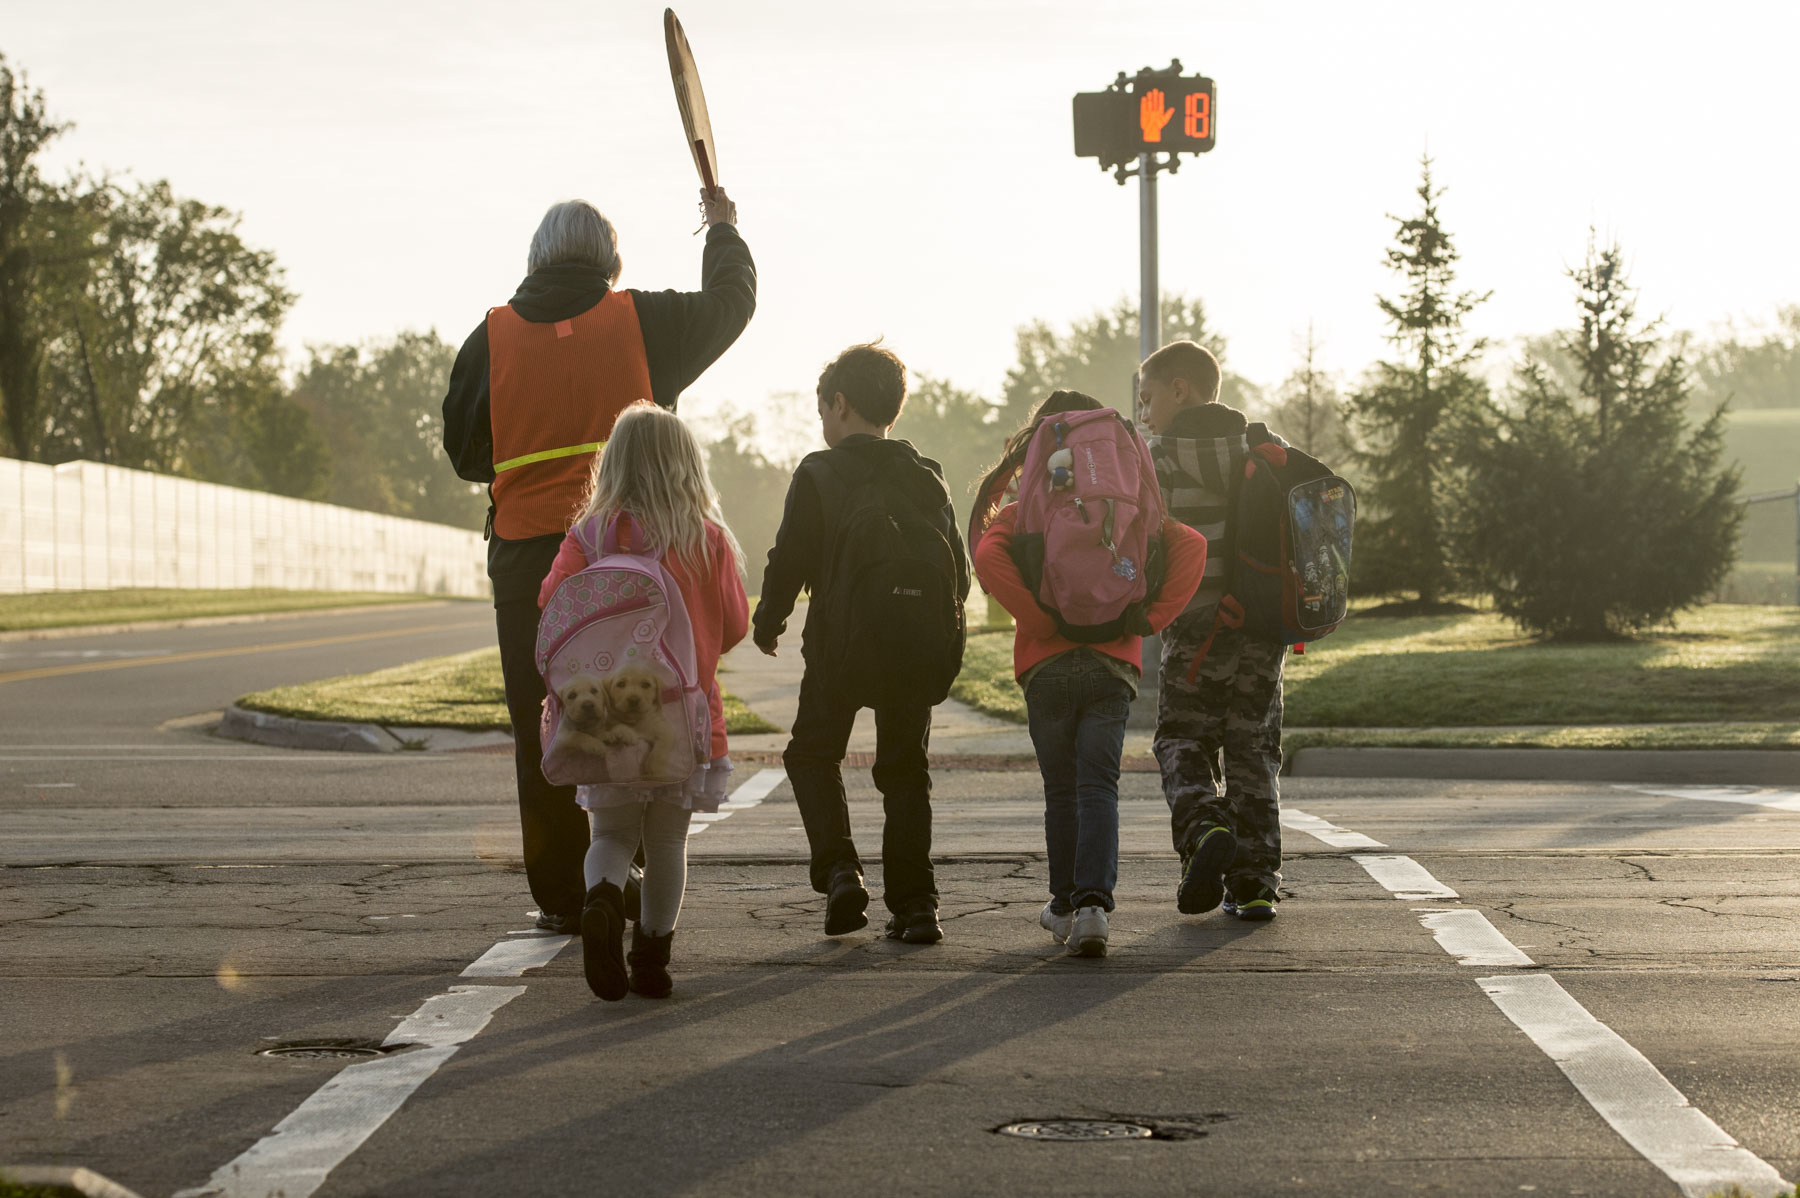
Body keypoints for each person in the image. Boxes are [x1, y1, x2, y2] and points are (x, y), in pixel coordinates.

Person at [442, 189, 754, 934]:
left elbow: (464, 450)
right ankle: (631, 863)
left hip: (530, 559)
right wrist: (721, 231)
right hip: (638, 550)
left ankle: (566, 892)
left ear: (535, 259)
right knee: (645, 701)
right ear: (611, 263)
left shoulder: (490, 339)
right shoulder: (641, 319)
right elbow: (731, 305)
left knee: (548, 719)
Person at [970, 391, 1206, 957]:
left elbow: (988, 554)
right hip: (1111, 665)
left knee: (1061, 791)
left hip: (1046, 666)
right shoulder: (1128, 503)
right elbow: (1192, 546)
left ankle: (1063, 905)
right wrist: (1147, 619)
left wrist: (1038, 619)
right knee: (1099, 786)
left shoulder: (1028, 508)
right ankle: (1094, 908)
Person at [752, 343, 970, 944]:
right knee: (905, 771)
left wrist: (768, 623)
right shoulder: (926, 474)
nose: (823, 421)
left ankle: (841, 871)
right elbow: (958, 569)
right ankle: (917, 905)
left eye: (823, 409)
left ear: (840, 404)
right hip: (914, 647)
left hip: (838, 648)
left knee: (812, 755)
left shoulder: (818, 473)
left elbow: (788, 559)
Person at [536, 402, 748, 1000]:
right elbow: (734, 625)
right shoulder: (704, 538)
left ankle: (603, 900)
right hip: (683, 716)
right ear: (687, 466)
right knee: (667, 843)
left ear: (612, 464)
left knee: (609, 834)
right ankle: (651, 960)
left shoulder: (589, 536)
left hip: (603, 715)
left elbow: (551, 603)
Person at [1139, 340, 1288, 921]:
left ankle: (1204, 826)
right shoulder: (1264, 449)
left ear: (1180, 390)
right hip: (1263, 626)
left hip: (1196, 626)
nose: (1145, 414)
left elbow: (1146, 545)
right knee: (1253, 748)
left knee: (1181, 738)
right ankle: (1254, 884)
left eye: (1149, 398)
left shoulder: (1157, 461)